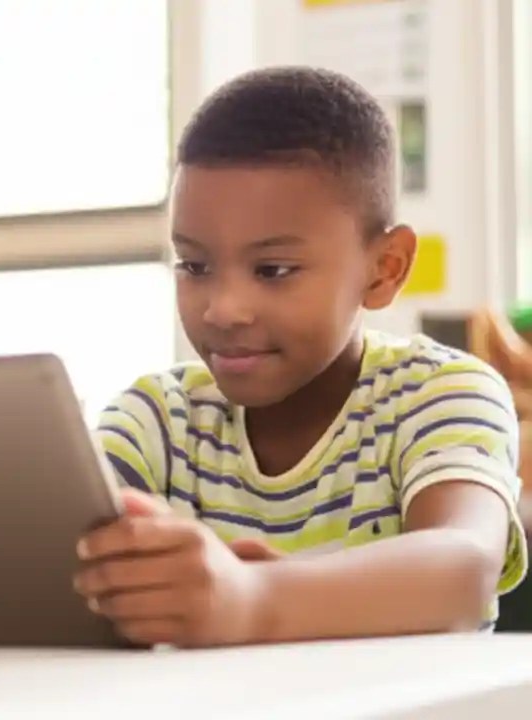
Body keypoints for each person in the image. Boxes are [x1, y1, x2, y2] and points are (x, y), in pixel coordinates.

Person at [77, 67, 527, 648]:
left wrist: (252, 601)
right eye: (194, 265)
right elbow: (48, 558)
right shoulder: (157, 418)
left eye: (273, 271)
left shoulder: (442, 394)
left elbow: (464, 568)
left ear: (384, 268)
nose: (224, 309)